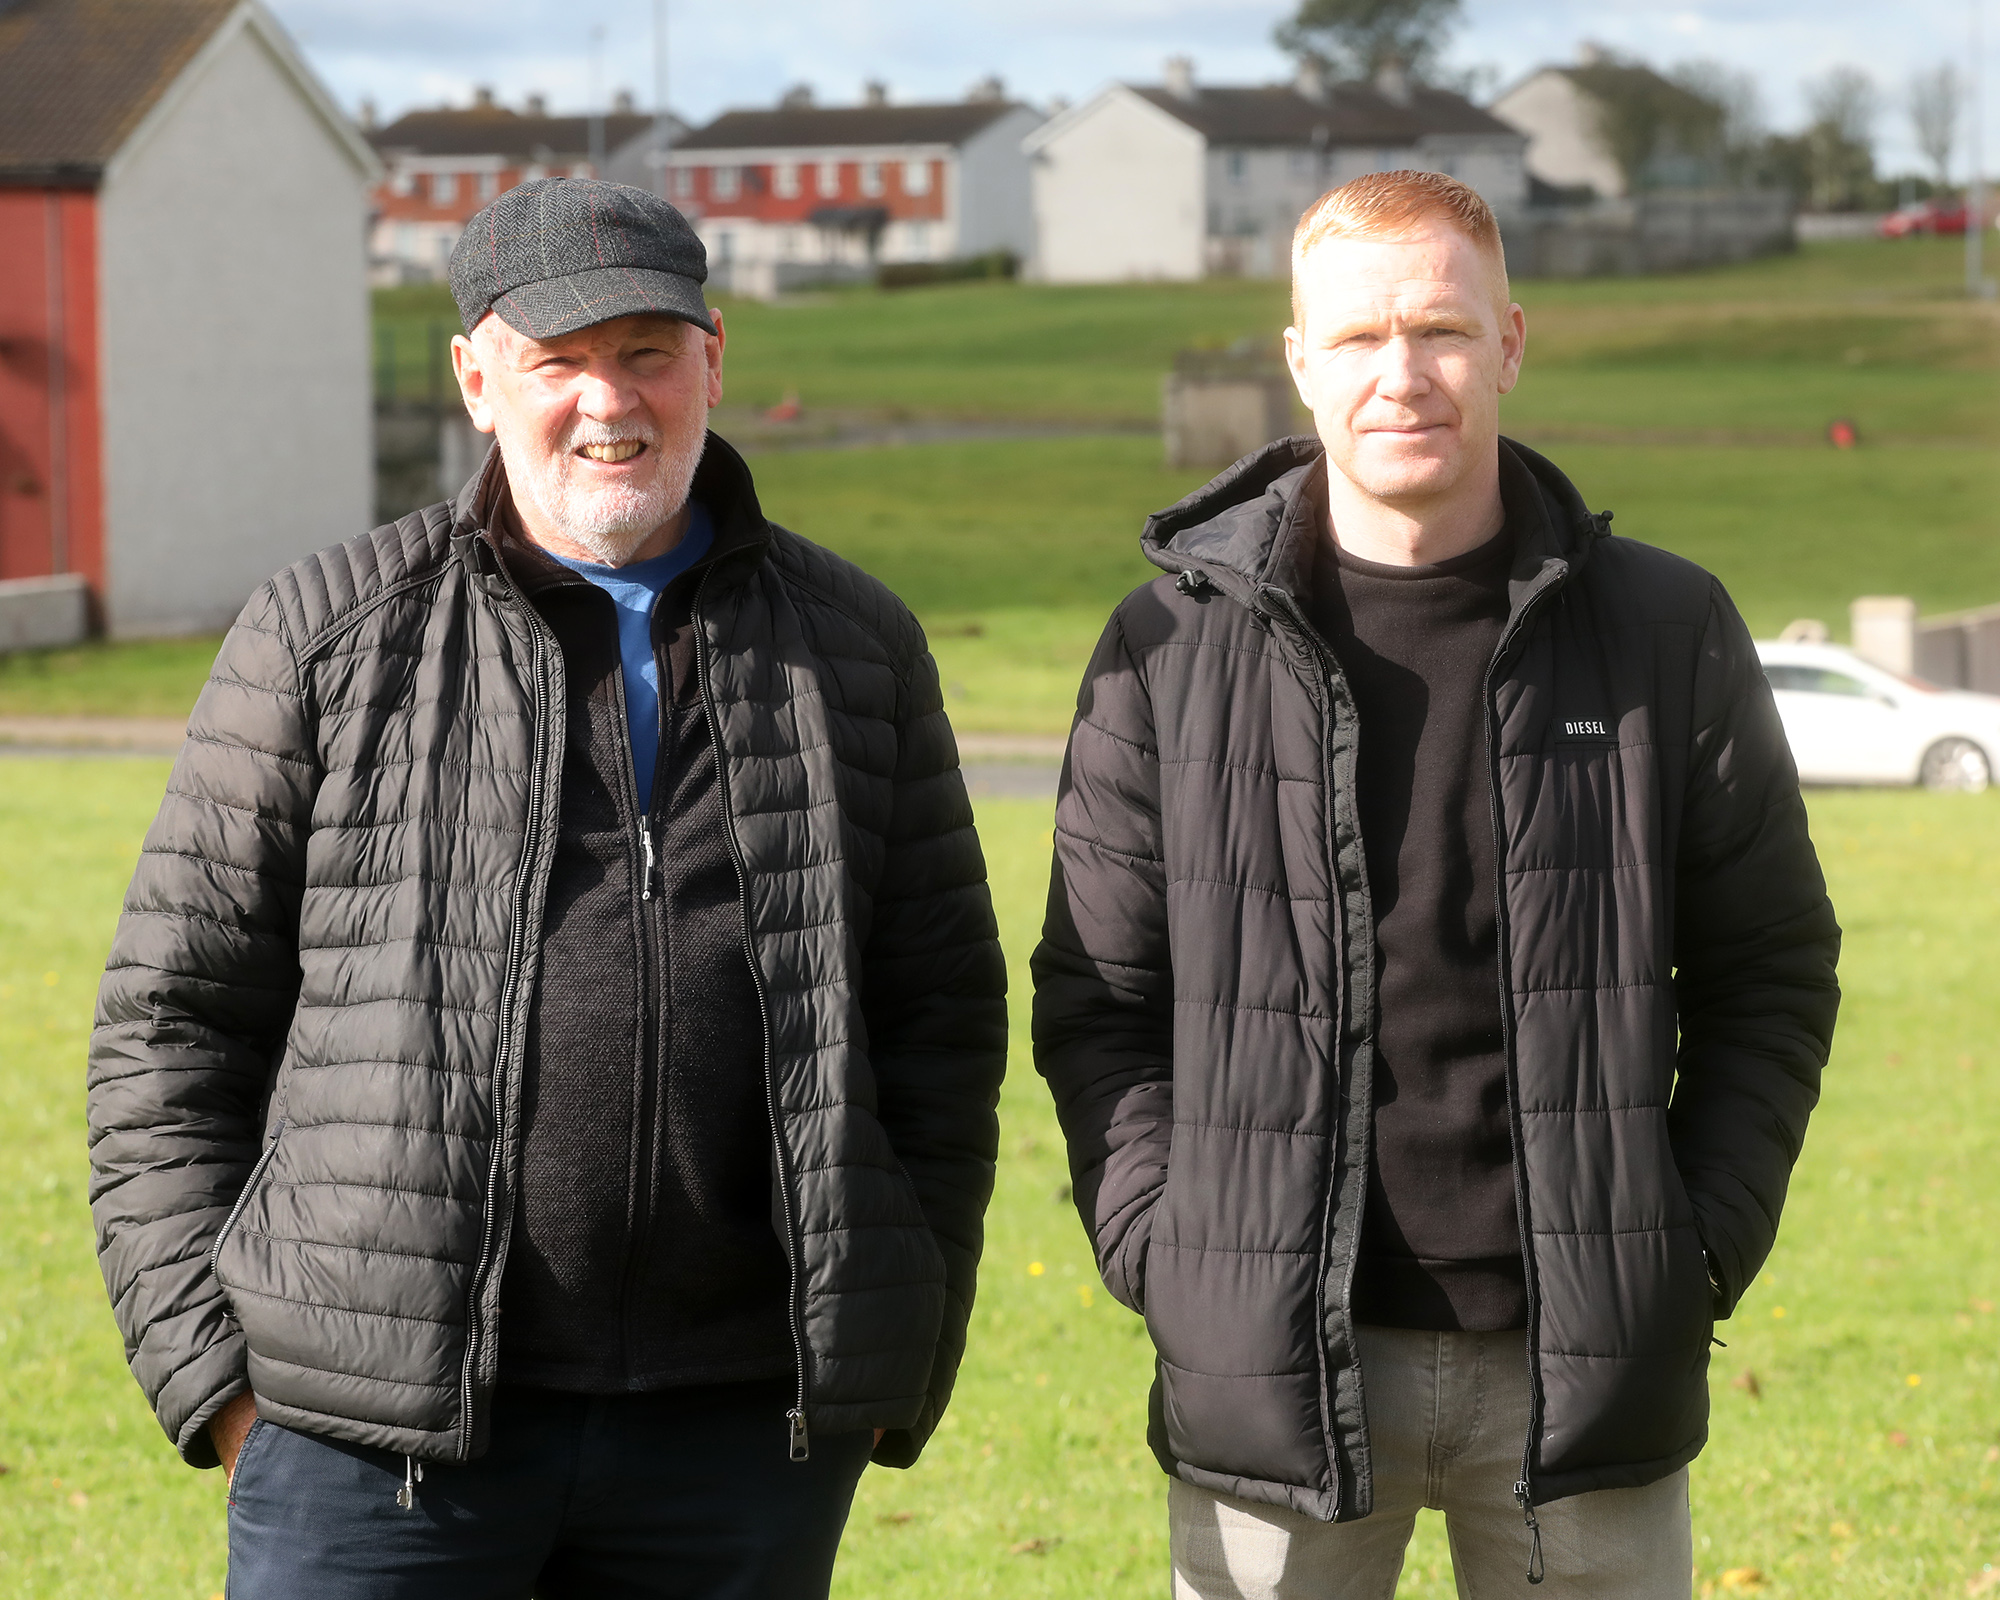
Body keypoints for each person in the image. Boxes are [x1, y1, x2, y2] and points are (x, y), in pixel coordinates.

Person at [87, 177, 1006, 1598]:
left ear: (716, 360)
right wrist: (221, 1383)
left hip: (740, 1440)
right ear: (476, 379)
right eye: (557, 359)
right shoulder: (323, 634)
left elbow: (940, 1018)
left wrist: (902, 1344)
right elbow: (171, 1022)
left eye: (647, 351)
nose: (608, 402)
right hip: (367, 1444)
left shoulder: (859, 647)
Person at [1032, 170, 1840, 1598]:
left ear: (1511, 342)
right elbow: (1099, 998)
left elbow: (1769, 967)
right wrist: (1171, 1255)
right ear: (1297, 358)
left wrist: (1687, 1249)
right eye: (1355, 337)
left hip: (1580, 1373)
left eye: (1442, 331)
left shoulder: (1665, 624)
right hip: (1271, 1372)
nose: (1401, 374)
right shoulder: (1165, 644)